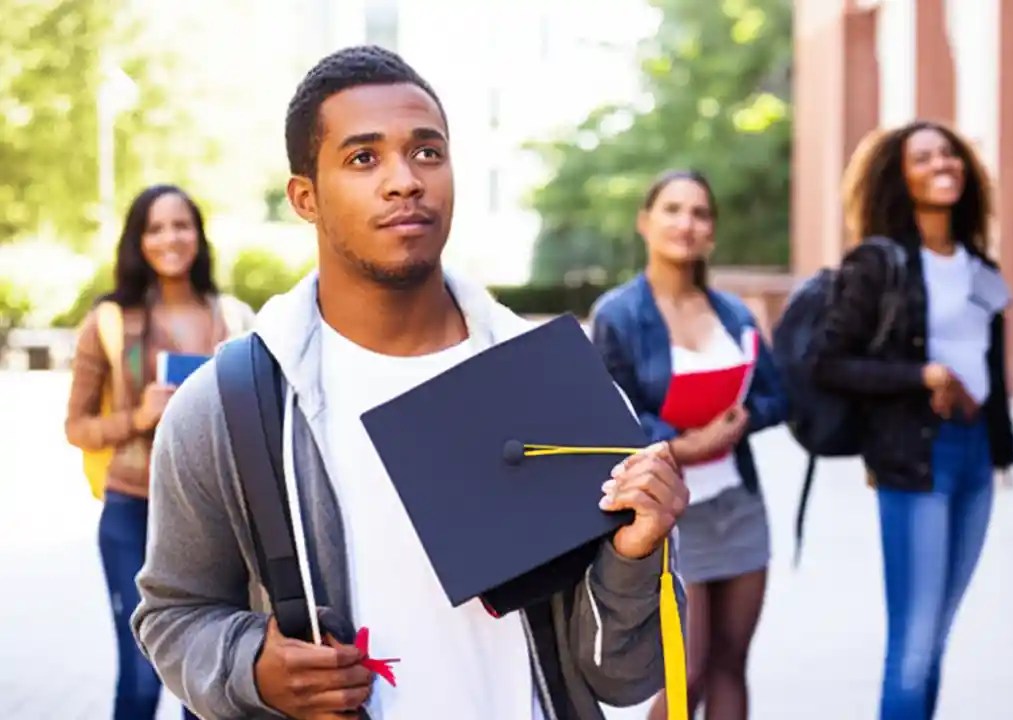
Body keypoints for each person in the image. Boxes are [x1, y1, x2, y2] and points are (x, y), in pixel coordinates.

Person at [130, 45, 688, 720]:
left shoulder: (557, 382)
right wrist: (252, 667)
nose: (405, 180)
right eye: (363, 158)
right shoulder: (228, 407)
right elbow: (173, 613)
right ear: (305, 196)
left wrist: (636, 555)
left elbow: (624, 679)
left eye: (427, 152)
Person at [812, 121, 1013, 719]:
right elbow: (828, 362)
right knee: (915, 640)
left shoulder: (980, 265)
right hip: (913, 460)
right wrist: (920, 375)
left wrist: (1009, 453)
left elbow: (990, 367)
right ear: (898, 177)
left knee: (938, 636)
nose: (941, 163)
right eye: (922, 157)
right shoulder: (881, 261)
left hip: (974, 455)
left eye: (949, 153)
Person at [589, 169, 789, 720]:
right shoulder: (619, 315)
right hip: (673, 515)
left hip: (738, 505)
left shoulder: (734, 314)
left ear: (712, 233)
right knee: (686, 671)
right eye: (673, 209)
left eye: (700, 213)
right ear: (645, 222)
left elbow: (778, 396)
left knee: (731, 663)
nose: (687, 223)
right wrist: (682, 446)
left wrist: (739, 421)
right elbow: (606, 419)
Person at [63, 183, 254, 720]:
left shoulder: (235, 321)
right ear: (138, 240)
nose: (170, 238)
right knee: (143, 679)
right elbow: (76, 426)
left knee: (209, 680)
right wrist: (138, 418)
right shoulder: (107, 322)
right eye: (156, 227)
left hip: (216, 518)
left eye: (181, 225)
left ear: (198, 235)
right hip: (133, 512)